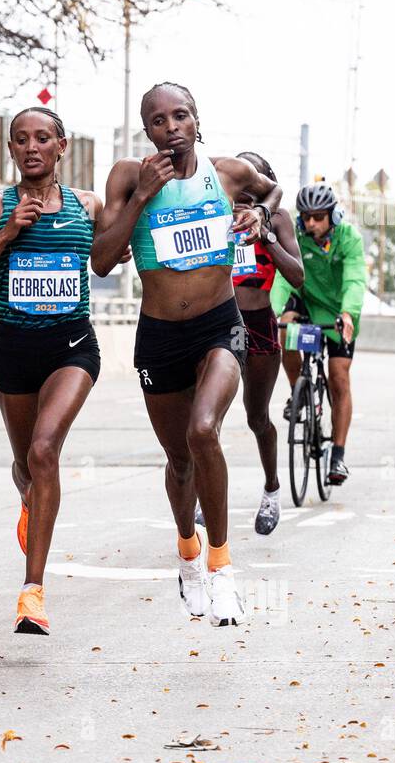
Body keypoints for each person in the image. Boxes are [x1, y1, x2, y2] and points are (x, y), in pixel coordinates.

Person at [92, 82, 281, 627]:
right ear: (146, 129)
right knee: (179, 462)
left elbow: (272, 192)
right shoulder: (129, 176)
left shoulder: (226, 174)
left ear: (198, 121)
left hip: (220, 326)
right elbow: (103, 260)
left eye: (180, 116)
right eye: (157, 120)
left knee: (205, 431)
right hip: (158, 335)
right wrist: (141, 198)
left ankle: (222, 571)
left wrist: (260, 218)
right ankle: (189, 556)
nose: (170, 127)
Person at [0, 106, 113, 635]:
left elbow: (118, 254)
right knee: (26, 467)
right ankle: (28, 495)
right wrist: (5, 236)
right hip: (15, 349)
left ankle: (32, 593)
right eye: (21, 140)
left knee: (46, 451)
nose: (32, 147)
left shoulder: (88, 205)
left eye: (43, 138)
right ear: (12, 150)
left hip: (72, 345)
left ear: (61, 146)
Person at [197, 151, 305, 535]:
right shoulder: (216, 209)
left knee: (256, 416)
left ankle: (272, 489)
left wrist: (268, 237)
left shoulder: (277, 219)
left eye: (252, 180)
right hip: (220, 323)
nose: (243, 189)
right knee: (208, 416)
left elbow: (297, 274)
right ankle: (203, 494)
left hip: (258, 325)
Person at [270, 182, 366, 486]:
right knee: (283, 332)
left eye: (318, 217)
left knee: (339, 378)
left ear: (333, 215)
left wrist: (348, 313)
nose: (311, 223)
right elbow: (284, 280)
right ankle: (297, 391)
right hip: (307, 305)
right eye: (307, 216)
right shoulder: (298, 237)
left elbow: (354, 280)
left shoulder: (349, 238)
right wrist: (270, 314)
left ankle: (337, 456)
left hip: (340, 313)